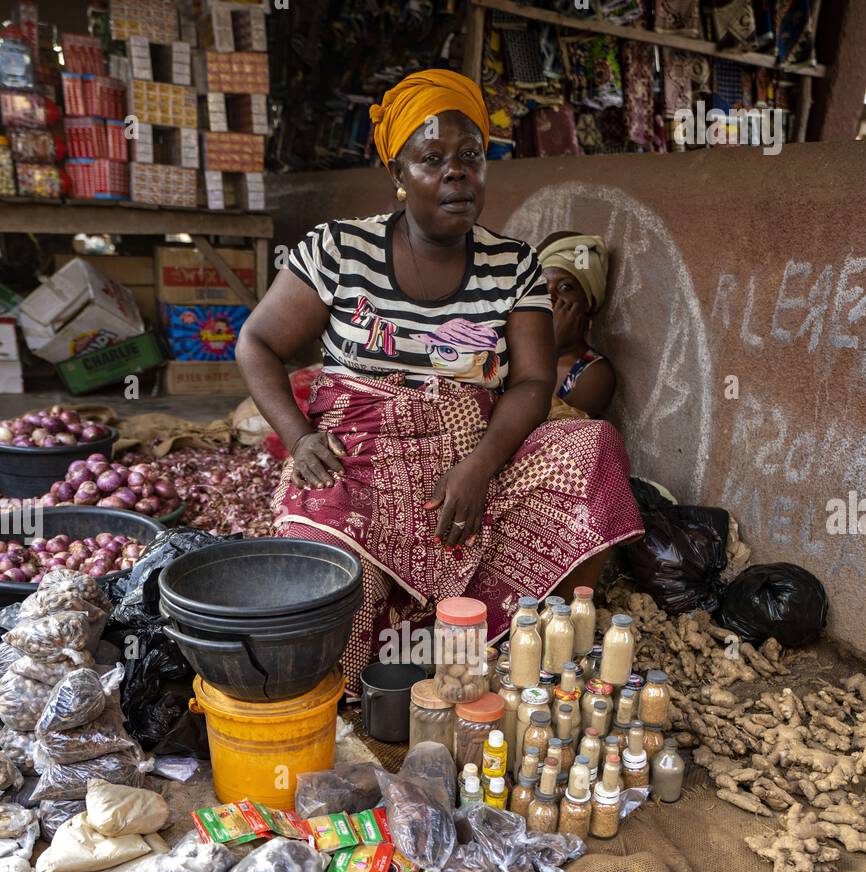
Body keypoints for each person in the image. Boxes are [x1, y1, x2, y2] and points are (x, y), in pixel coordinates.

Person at [236, 69, 643, 695]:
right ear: (398, 176)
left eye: (471, 158)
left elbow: (534, 382)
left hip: (477, 448)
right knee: (326, 570)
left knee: (592, 452)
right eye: (432, 160)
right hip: (363, 455)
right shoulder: (340, 250)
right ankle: (394, 664)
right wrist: (297, 435)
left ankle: (525, 643)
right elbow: (257, 343)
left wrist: (480, 466)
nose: (457, 173)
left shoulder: (512, 265)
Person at [537, 231, 616, 419]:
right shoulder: (515, 350)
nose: (550, 297)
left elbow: (543, 434)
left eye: (565, 287)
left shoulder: (593, 374)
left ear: (588, 302)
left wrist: (551, 347)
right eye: (542, 287)